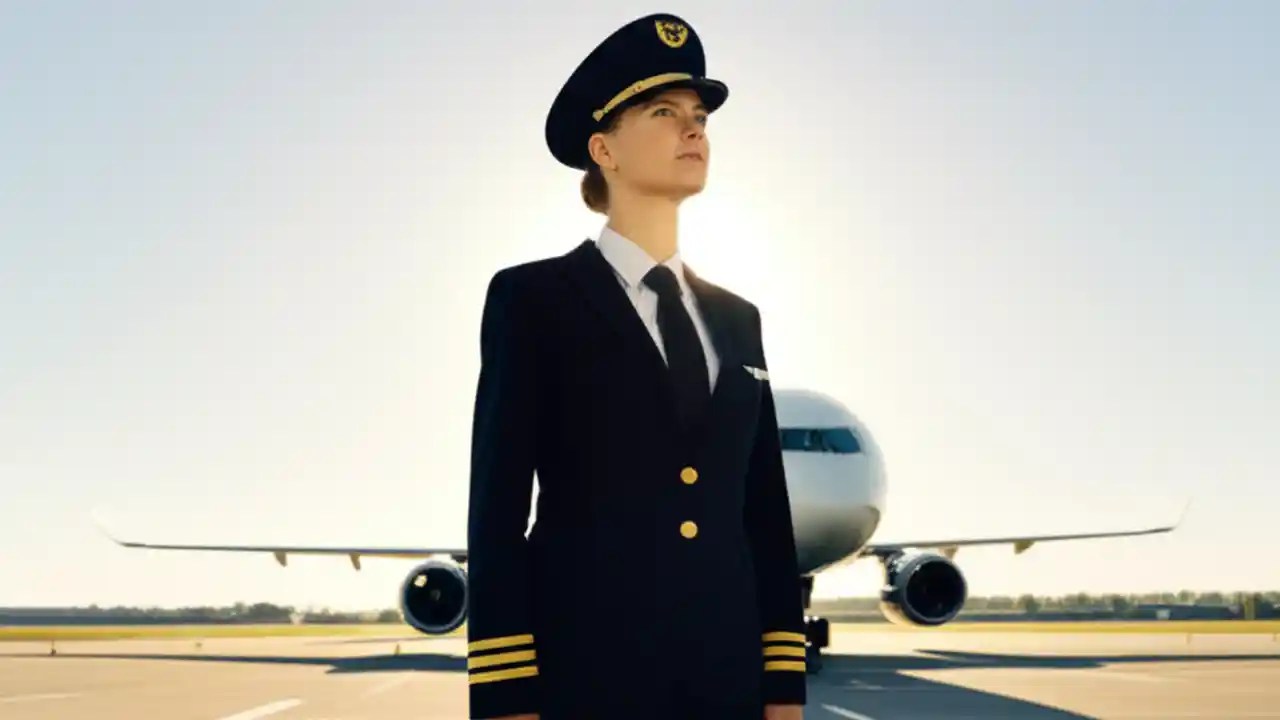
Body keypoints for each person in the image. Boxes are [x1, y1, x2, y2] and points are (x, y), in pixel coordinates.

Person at [465, 12, 807, 720]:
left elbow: (766, 519)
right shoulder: (531, 300)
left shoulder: (740, 320)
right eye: (663, 111)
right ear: (604, 150)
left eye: (699, 116)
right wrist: (504, 696)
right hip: (585, 684)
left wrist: (783, 690)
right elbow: (496, 516)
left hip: (728, 689)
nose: (694, 130)